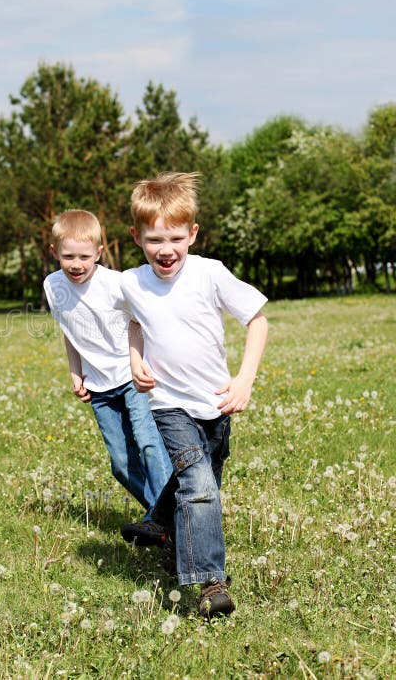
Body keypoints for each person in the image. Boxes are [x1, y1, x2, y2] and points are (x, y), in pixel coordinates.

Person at [122, 172, 268, 618]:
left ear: (193, 234)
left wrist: (244, 380)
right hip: (168, 403)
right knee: (200, 486)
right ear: (136, 237)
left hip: (215, 403)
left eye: (176, 238)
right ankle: (210, 584)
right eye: (154, 240)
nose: (166, 249)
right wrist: (134, 360)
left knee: (198, 483)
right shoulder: (132, 282)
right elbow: (133, 322)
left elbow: (258, 319)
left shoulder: (210, 273)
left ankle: (162, 527)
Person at [43, 209, 173, 545]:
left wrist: (138, 364)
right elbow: (69, 331)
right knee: (120, 464)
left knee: (148, 443)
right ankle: (166, 520)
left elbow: (141, 322)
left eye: (84, 256)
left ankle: (167, 522)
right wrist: (75, 371)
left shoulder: (116, 284)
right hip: (99, 387)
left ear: (99, 253)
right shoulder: (53, 286)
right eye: (68, 256)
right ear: (54, 252)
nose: (76, 264)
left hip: (131, 376)